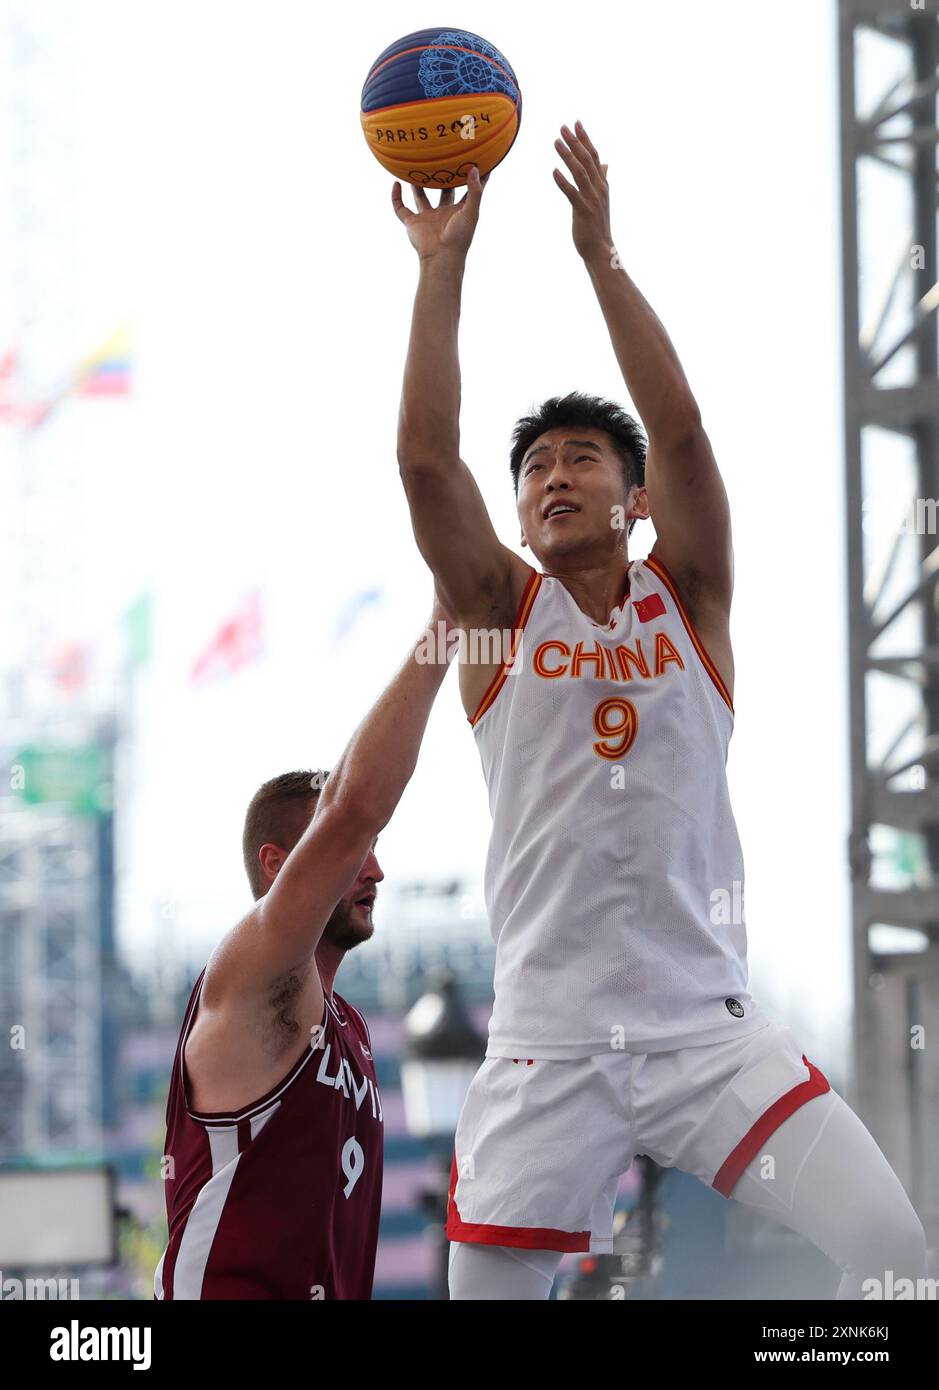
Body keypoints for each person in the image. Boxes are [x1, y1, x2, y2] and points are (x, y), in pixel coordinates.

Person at [392, 121, 928, 1300]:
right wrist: (443, 268)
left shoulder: (691, 600)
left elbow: (682, 429)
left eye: (583, 458)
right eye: (536, 467)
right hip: (547, 1044)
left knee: (896, 1260)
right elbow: (428, 466)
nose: (555, 475)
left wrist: (602, 256)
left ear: (635, 506)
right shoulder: (495, 611)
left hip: (705, 1032)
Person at [154, 597, 453, 1299]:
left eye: (375, 852)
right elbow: (352, 809)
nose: (374, 869)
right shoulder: (250, 978)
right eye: (354, 855)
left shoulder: (348, 1026)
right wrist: (448, 630)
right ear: (275, 865)